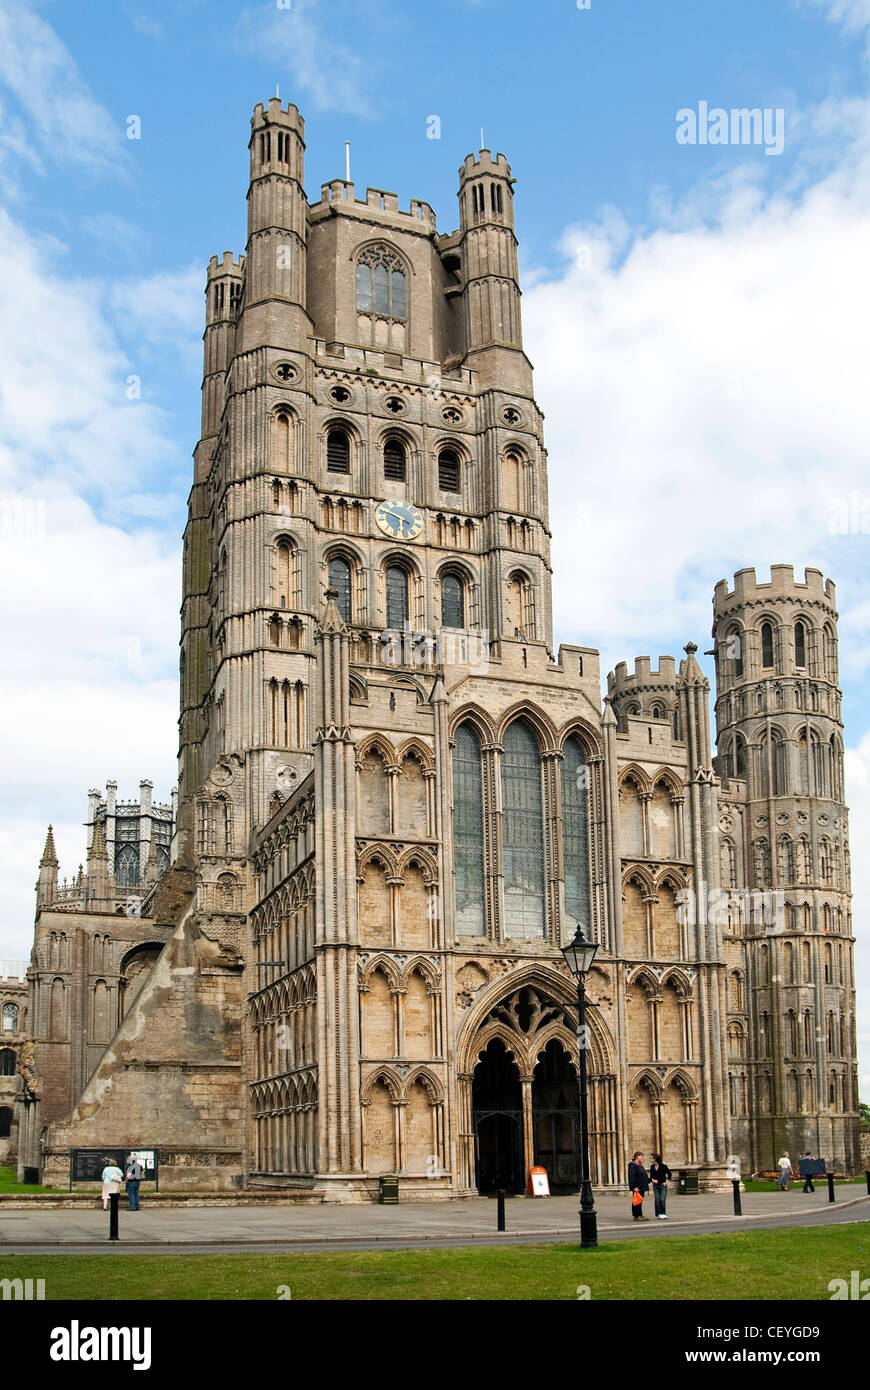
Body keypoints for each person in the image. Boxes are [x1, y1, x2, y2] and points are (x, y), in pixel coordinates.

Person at [628, 1151, 650, 1220]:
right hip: (637, 1186)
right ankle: (636, 1216)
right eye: (640, 1156)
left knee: (639, 1201)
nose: (642, 1157)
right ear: (636, 1157)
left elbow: (643, 1176)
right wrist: (634, 1186)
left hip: (642, 1186)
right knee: (636, 1201)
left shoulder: (639, 1165)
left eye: (642, 1156)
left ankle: (640, 1214)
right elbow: (632, 1177)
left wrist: (650, 1180)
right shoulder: (633, 1165)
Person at [649, 1152, 672, 1219]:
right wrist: (653, 1180)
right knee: (657, 1199)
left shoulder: (663, 1166)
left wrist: (666, 1182)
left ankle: (663, 1213)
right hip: (655, 1185)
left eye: (651, 1158)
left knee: (662, 1199)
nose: (650, 1159)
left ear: (655, 1159)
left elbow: (669, 1174)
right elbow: (651, 1176)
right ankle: (658, 1213)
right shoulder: (652, 1167)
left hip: (662, 1185)